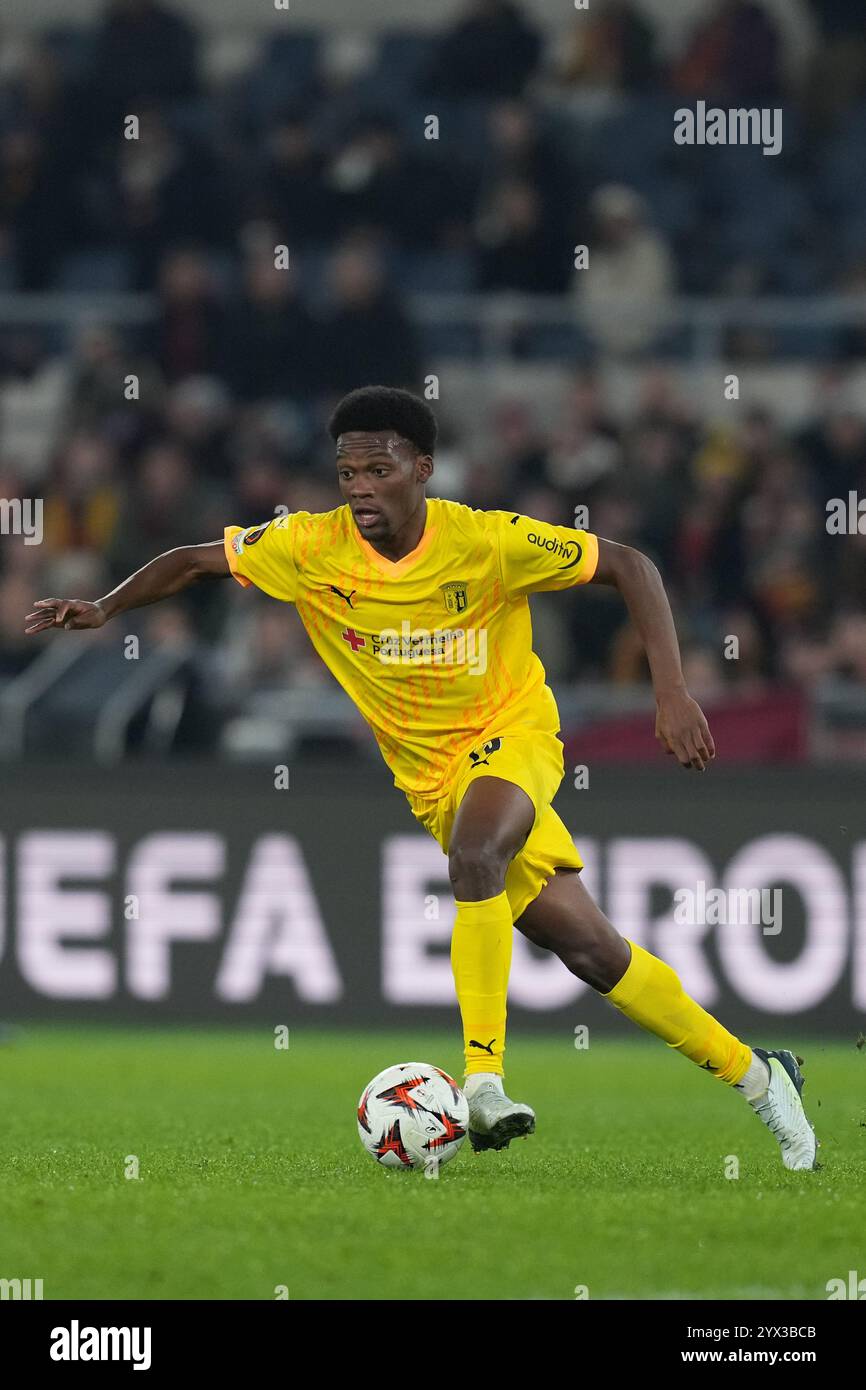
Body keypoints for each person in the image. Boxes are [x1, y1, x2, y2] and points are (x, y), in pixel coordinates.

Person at [25, 386, 817, 1168]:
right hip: (431, 780)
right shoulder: (308, 546)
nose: (361, 489)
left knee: (475, 857)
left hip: (513, 735)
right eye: (348, 474)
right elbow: (194, 562)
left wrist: (671, 692)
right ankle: (758, 1074)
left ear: (423, 468)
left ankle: (483, 1083)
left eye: (380, 470)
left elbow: (632, 566)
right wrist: (105, 607)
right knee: (591, 951)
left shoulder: (488, 541)